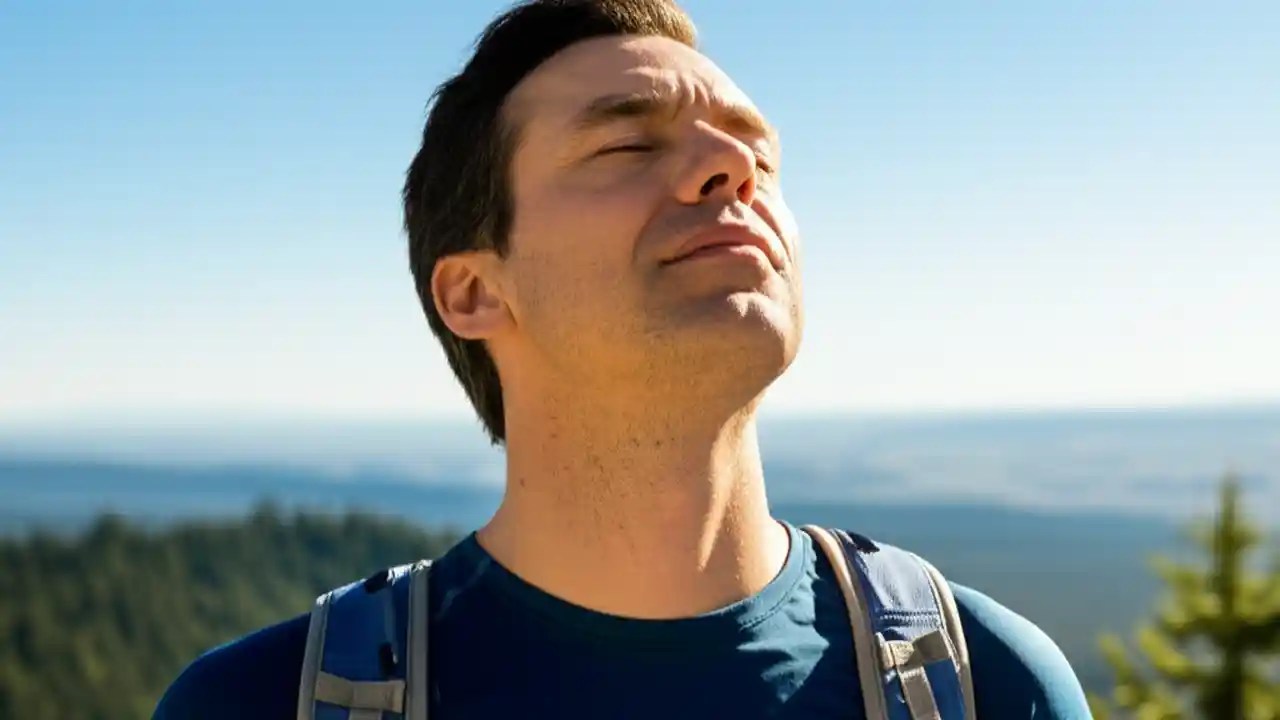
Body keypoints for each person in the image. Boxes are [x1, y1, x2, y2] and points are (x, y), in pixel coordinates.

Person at [153, 1, 1092, 717]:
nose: (731, 170)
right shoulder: (254, 703)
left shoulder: (991, 685)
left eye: (759, 157)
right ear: (474, 291)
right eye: (629, 141)